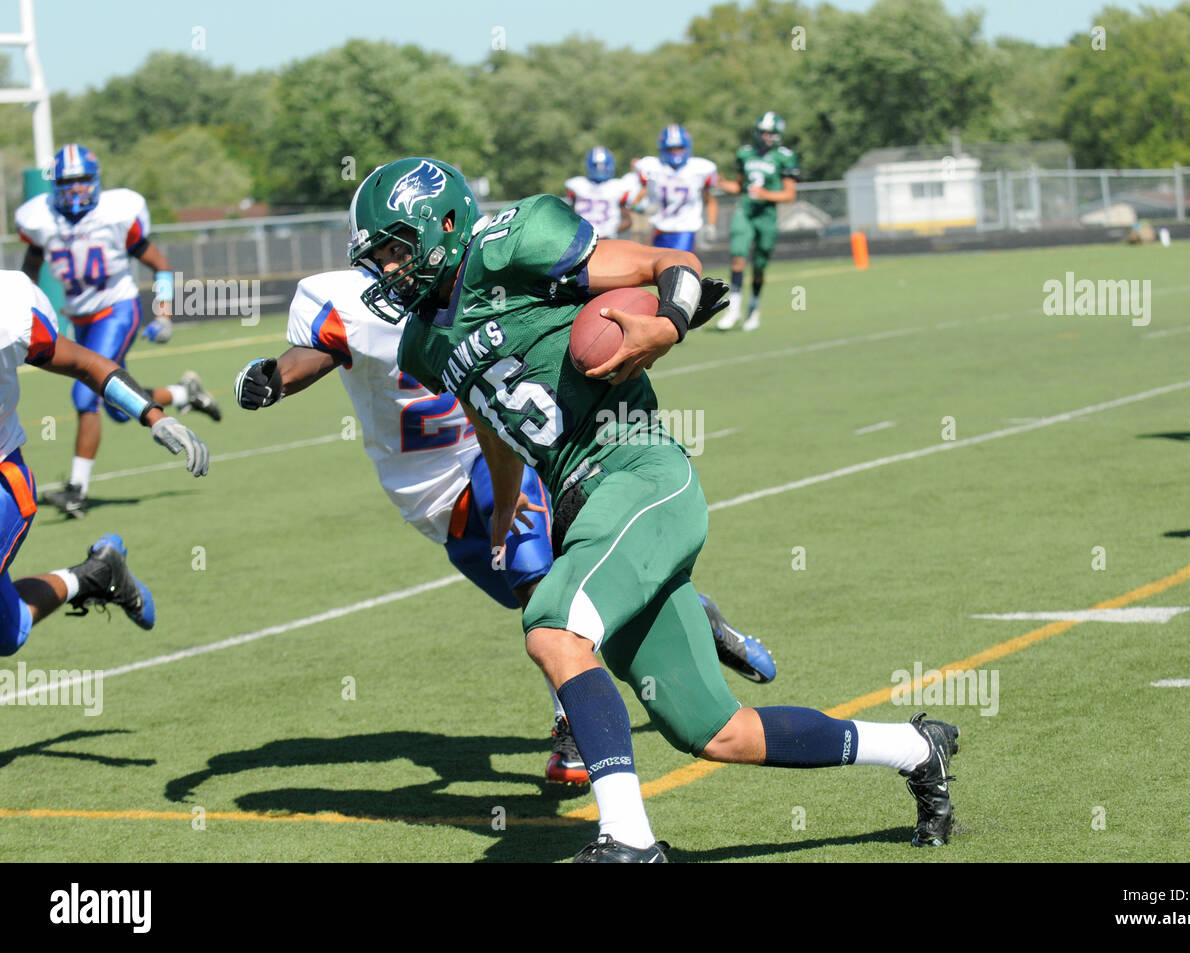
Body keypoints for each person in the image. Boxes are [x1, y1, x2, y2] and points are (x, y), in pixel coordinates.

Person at [347, 157, 959, 862]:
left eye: (394, 248)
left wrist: (667, 324)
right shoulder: (422, 341)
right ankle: (916, 747)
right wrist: (506, 503)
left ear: (444, 223)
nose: (387, 269)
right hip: (583, 504)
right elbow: (493, 419)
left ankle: (629, 840)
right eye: (380, 256)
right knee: (714, 730)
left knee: (552, 627)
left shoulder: (512, 242)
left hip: (637, 468)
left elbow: (673, 260)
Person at [233, 266, 775, 785]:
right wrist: (273, 379)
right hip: (428, 490)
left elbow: (571, 302)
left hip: (496, 449)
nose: (401, 264)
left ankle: (574, 730)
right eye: (387, 252)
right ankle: (688, 611)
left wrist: (665, 309)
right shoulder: (347, 299)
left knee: (543, 592)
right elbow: (315, 352)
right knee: (549, 591)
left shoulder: (480, 274)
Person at [0, 270, 210, 656]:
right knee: (8, 633)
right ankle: (96, 574)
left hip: (1, 482)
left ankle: (78, 488)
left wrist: (152, 414)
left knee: (88, 405)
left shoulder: (10, 313)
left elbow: (85, 364)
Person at [15, 144, 221, 519]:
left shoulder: (116, 213)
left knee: (85, 394)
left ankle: (77, 490)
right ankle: (182, 392)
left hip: (116, 310)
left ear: (95, 181)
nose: (75, 190)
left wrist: (163, 315)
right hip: (80, 318)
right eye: (66, 182)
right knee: (119, 408)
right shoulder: (41, 220)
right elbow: (28, 268)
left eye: (81, 181)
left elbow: (160, 265)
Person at [716, 112, 800, 332]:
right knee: (737, 258)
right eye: (763, 131)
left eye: (770, 132)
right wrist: (723, 184)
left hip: (766, 215)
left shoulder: (785, 156)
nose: (766, 136)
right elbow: (740, 187)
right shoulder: (745, 154)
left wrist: (765, 194)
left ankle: (753, 306)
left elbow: (790, 195)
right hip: (745, 210)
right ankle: (733, 308)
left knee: (760, 267)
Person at [632, 125, 719, 252]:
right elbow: (634, 202)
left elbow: (710, 200)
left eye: (679, 148)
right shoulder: (653, 168)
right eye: (671, 149)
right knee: (656, 270)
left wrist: (711, 225)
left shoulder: (699, 169)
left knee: (677, 267)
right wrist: (642, 209)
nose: (675, 152)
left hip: (685, 230)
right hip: (658, 228)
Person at [564, 147, 637, 240]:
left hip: (606, 240)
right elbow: (569, 215)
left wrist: (611, 232)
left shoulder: (619, 186)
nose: (600, 169)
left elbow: (628, 221)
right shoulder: (577, 185)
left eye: (603, 165)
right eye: (596, 165)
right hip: (581, 239)